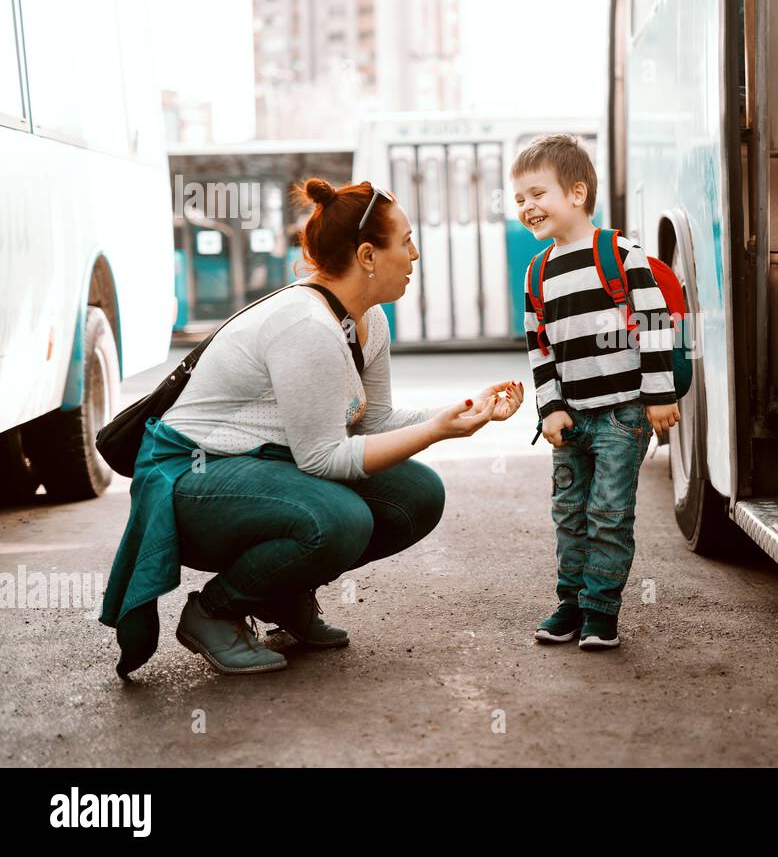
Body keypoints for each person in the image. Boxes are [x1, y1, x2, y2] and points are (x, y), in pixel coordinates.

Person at [99, 178, 523, 678]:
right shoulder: (306, 326)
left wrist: (459, 413)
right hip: (194, 482)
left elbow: (375, 422)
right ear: (368, 255)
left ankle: (279, 593)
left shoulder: (369, 320)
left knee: (417, 494)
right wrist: (436, 432)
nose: (414, 255)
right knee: (340, 519)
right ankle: (214, 611)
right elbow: (323, 458)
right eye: (406, 241)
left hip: (261, 468)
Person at [514, 135, 680, 650]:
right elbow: (539, 348)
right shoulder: (537, 272)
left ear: (578, 192)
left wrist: (659, 395)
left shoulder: (621, 254)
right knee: (569, 515)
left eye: (537, 194)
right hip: (570, 420)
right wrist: (550, 409)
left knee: (608, 516)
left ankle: (601, 610)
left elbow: (655, 324)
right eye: (519, 199)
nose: (527, 207)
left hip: (623, 417)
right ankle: (571, 602)